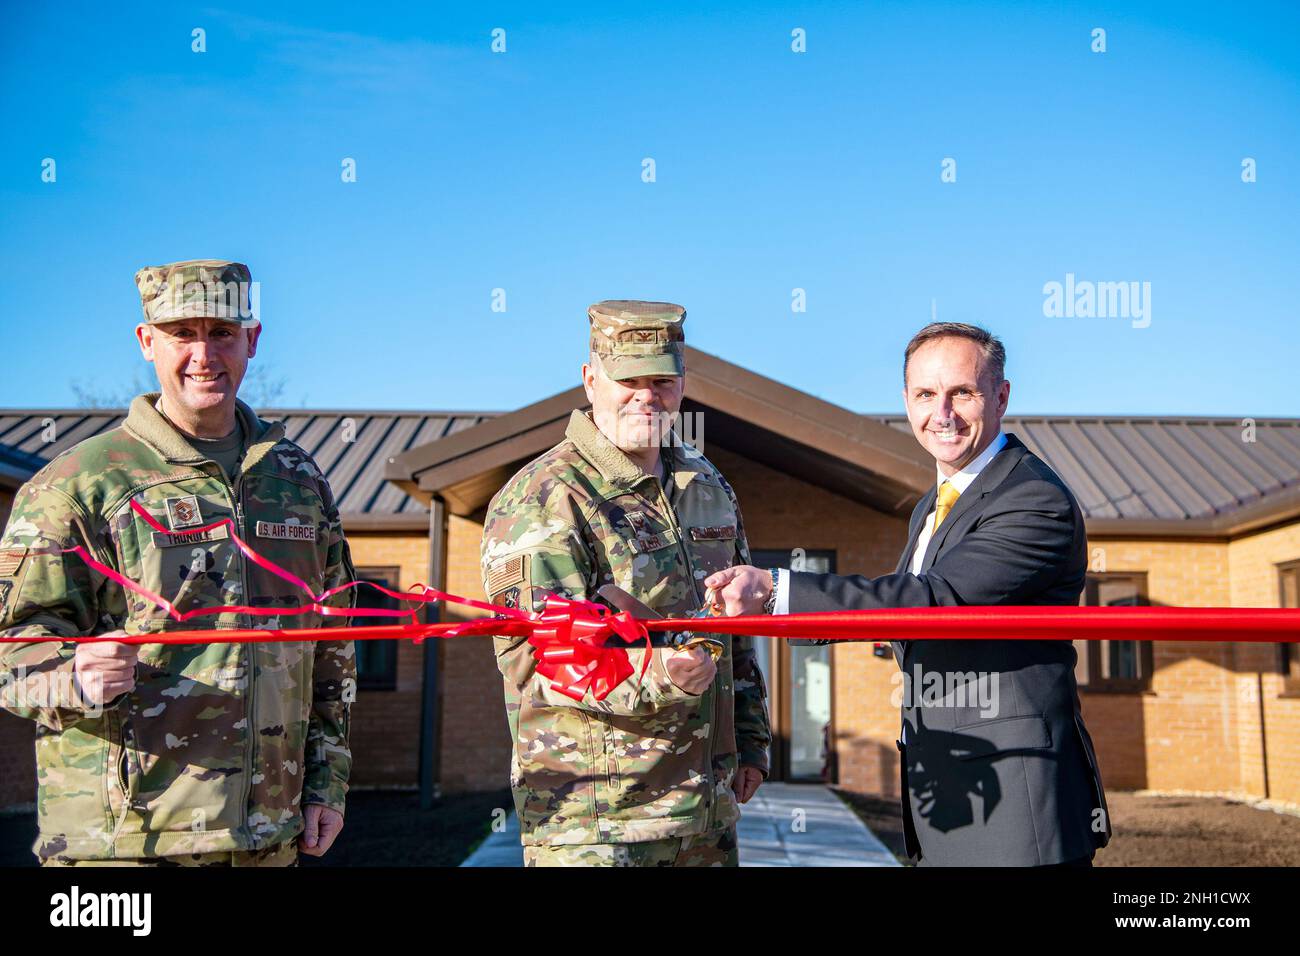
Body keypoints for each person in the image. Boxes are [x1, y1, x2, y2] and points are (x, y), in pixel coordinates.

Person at [707, 322, 1109, 867]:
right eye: (925, 394)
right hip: (947, 784)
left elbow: (934, 599)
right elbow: (910, 616)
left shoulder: (1033, 499)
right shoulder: (934, 503)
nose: (941, 413)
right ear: (906, 401)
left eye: (961, 392)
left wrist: (778, 588)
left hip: (1016, 794)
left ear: (1002, 396)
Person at [0, 259, 356, 866]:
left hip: (269, 838)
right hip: (128, 844)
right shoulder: (78, 485)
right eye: (181, 334)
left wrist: (327, 783)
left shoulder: (296, 481)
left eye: (221, 333)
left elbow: (331, 646)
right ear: (147, 342)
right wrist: (76, 672)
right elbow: (11, 652)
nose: (203, 355)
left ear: (252, 340)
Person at [480, 299, 771, 867]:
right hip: (597, 818)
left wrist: (753, 739)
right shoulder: (543, 498)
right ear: (591, 381)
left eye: (660, 379)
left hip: (704, 811)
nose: (646, 395)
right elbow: (533, 659)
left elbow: (736, 629)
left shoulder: (706, 485)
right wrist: (662, 675)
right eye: (627, 379)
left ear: (683, 384)